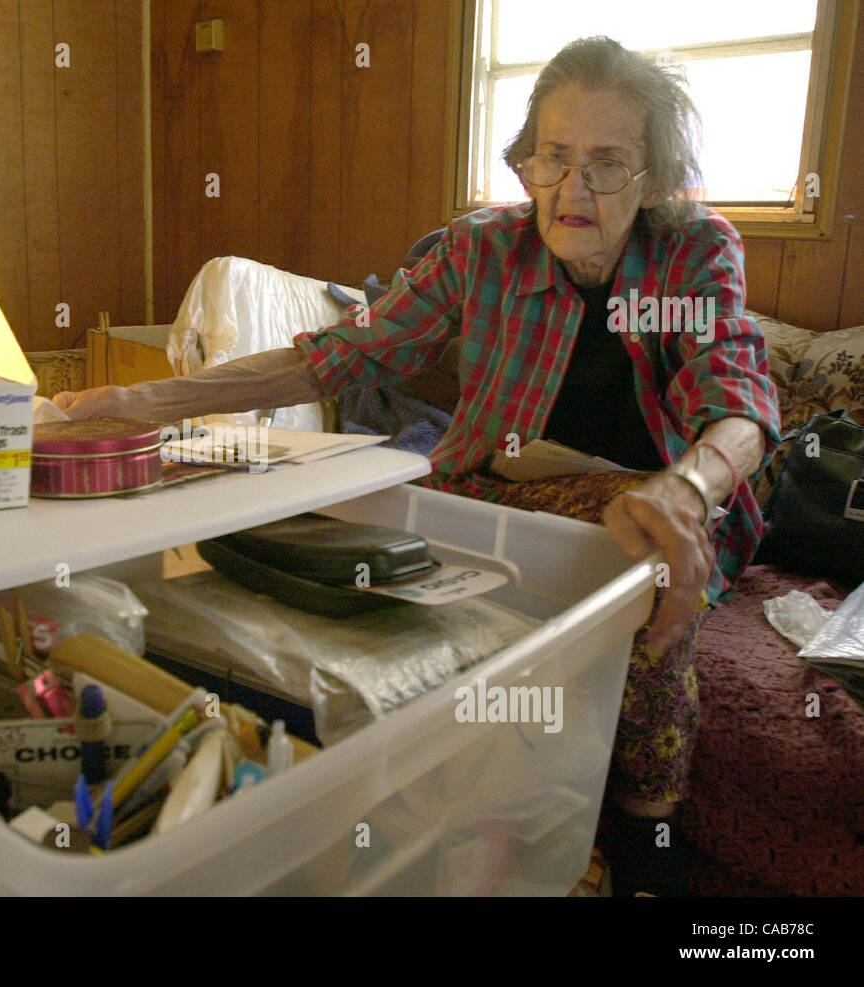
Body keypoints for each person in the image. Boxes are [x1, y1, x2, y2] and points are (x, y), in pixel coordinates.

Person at [54, 36, 781, 895]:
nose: (570, 190)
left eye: (606, 164)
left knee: (646, 560)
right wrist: (143, 400)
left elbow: (739, 401)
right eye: (551, 157)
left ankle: (644, 840)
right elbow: (333, 357)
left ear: (653, 180)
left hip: (650, 516)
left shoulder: (690, 251)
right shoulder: (483, 249)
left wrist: (688, 486)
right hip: (495, 493)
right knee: (319, 539)